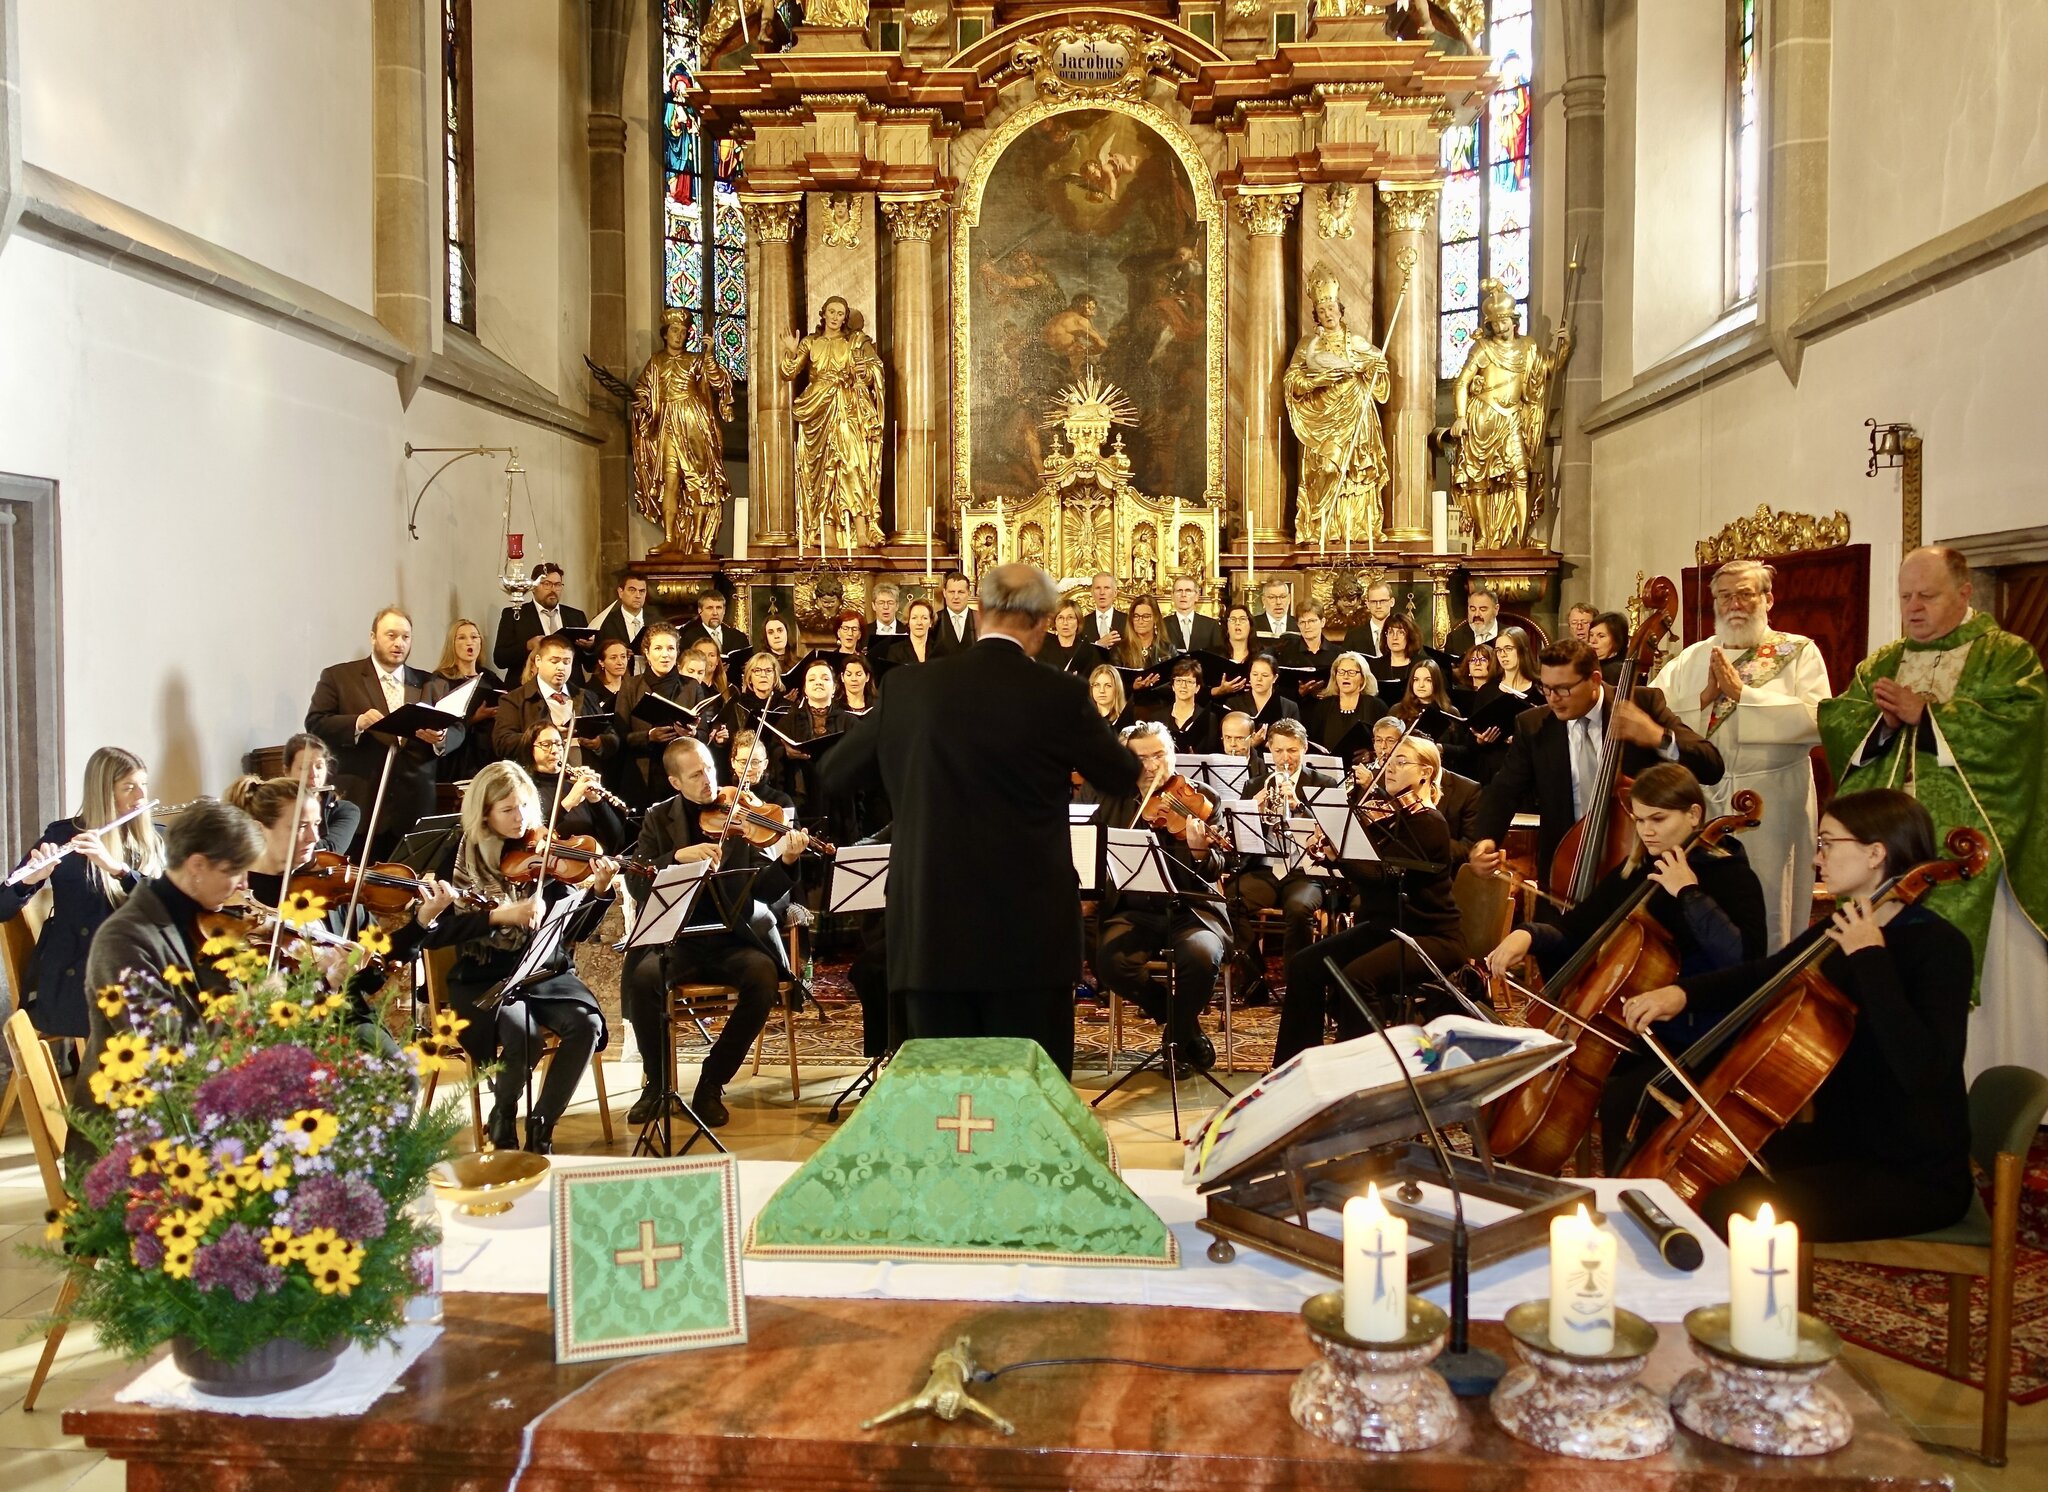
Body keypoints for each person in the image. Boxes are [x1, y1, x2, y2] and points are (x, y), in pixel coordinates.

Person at [821, 563, 1140, 1074]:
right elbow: (1123, 774)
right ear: (1041, 625)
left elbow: (835, 772)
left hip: (931, 930)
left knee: (944, 1106)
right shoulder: (1058, 695)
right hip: (1028, 936)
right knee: (1029, 1097)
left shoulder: (909, 688)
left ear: (980, 614)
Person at [1620, 790, 1974, 1242]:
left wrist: (1870, 958)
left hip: (1911, 1169)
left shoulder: (1940, 947)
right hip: (1841, 1141)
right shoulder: (1838, 928)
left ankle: (1749, 1309)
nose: (1816, 858)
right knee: (1711, 1159)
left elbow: (1923, 1070)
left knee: (1729, 1208)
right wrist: (1680, 994)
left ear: (1875, 853)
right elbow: (1763, 976)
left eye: (1827, 843)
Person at [1482, 762, 1768, 1167]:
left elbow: (1745, 962)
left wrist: (1689, 894)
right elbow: (1578, 929)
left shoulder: (1731, 877)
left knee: (1624, 1097)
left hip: (1696, 1030)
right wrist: (1527, 935)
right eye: (1640, 820)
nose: (1647, 831)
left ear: (1694, 815)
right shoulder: (1638, 868)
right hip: (1631, 1028)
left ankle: (1635, 1197)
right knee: (1526, 1059)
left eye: (1659, 819)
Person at [1818, 546, 2047, 1032]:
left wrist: (1928, 716)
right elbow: (1840, 718)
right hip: (1885, 851)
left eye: (1927, 595)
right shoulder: (1886, 660)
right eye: (1905, 597)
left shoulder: (2006, 655)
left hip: (1968, 846)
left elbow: (2019, 725)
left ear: (1964, 593)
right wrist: (1878, 726)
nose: (1913, 608)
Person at [620, 737, 810, 1128]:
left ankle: (711, 1081)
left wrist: (788, 861)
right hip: (678, 938)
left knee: (763, 976)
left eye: (709, 768)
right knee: (643, 980)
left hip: (731, 937)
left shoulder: (738, 815)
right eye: (695, 774)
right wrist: (675, 859)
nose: (709, 780)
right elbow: (638, 884)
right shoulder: (658, 819)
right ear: (675, 782)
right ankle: (657, 1084)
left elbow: (763, 890)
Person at [428, 763, 613, 1153]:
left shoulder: (542, 852)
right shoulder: (458, 857)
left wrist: (598, 891)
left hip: (544, 969)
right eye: (509, 810)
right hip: (484, 977)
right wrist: (498, 916)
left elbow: (573, 931)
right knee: (522, 1036)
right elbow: (438, 933)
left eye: (526, 807)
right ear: (484, 814)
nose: (521, 819)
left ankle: (543, 1122)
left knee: (586, 1023)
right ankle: (503, 1113)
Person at [1652, 559, 1832, 951]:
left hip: (1771, 800)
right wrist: (1702, 700)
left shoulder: (1798, 652)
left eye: (1746, 594)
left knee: (1768, 902)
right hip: (1703, 801)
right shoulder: (1692, 658)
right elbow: (1656, 720)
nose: (1734, 603)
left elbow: (1820, 721)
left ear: (1769, 599)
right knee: (1701, 900)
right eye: (1724, 595)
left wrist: (1744, 696)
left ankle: (1765, 993)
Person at [226, 774, 454, 1058]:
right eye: (299, 827)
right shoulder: (240, 897)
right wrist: (327, 979)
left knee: (401, 1074)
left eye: (316, 825)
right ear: (261, 829)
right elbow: (252, 999)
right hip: (284, 1030)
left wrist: (422, 921)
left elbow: (373, 972)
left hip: (346, 1017)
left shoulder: (328, 883)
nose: (315, 838)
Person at [1470, 637, 1724, 889]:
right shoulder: (1533, 725)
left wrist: (1657, 737)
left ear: (1594, 680)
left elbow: (1711, 766)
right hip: (1565, 867)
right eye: (1546, 688)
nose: (1553, 698)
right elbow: (1504, 790)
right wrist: (1485, 838)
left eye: (1563, 689)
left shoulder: (1642, 705)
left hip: (1637, 865)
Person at [1274, 735, 1464, 1063]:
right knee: (1305, 964)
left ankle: (1360, 1070)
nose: (1389, 769)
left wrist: (1342, 853)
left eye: (1401, 762)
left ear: (1425, 773)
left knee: (1356, 977)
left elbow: (1381, 875)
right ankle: (1292, 1065)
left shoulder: (1429, 823)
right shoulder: (1388, 815)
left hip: (1430, 935)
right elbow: (1367, 873)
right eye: (1389, 761)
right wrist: (1332, 854)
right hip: (1385, 927)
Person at [75, 799, 265, 1116]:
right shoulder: (124, 940)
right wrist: (252, 1006)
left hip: (208, 1092)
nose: (244, 885)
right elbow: (164, 1050)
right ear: (197, 866)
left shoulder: (207, 924)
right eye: (235, 871)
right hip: (144, 1121)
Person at [1, 747, 165, 1049]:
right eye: (129, 787)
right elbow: (2, 906)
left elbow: (167, 911)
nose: (140, 797)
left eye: (143, 785)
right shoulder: (63, 836)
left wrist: (119, 870)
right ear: (103, 791)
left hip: (137, 967)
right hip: (75, 976)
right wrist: (31, 878)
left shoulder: (155, 840)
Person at [1092, 722, 1231, 1070]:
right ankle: (1184, 1029)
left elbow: (1218, 867)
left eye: (1161, 755)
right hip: (1135, 910)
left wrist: (1201, 853)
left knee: (1201, 956)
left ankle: (1176, 1043)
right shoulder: (1113, 799)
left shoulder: (1202, 799)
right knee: (1110, 963)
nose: (1154, 767)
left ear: (1173, 754)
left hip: (1192, 908)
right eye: (1143, 759)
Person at [306, 606, 466, 856]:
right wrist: (357, 722)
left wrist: (442, 738)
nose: (399, 643)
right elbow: (315, 723)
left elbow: (457, 726)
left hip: (414, 807)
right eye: (391, 635)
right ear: (373, 637)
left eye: (405, 637)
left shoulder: (431, 683)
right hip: (363, 804)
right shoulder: (339, 677)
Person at [1235, 718, 1338, 976]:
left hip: (1306, 872)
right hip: (1267, 870)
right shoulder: (1254, 785)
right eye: (1278, 751)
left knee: (1299, 909)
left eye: (1292, 750)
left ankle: (1297, 982)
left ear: (1304, 748)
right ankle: (1254, 979)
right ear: (1269, 750)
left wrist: (1298, 807)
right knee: (1229, 902)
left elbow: (1332, 833)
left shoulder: (1324, 784)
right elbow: (1241, 837)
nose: (1285, 758)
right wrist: (1252, 813)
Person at [494, 634, 616, 767]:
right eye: (554, 661)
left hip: (585, 775)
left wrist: (599, 742)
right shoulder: (515, 700)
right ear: (538, 661)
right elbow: (502, 743)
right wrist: (544, 736)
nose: (561, 667)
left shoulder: (587, 696)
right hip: (539, 780)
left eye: (566, 662)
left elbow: (612, 737)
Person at [524, 723, 629, 851]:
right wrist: (568, 803)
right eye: (546, 745)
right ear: (530, 748)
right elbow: (532, 837)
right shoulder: (525, 789)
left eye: (558, 744)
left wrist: (596, 800)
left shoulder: (575, 784)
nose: (555, 750)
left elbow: (617, 840)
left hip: (590, 864)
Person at [432, 617, 505, 782]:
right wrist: (474, 718)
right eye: (462, 638)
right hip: (457, 758)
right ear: (452, 644)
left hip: (488, 754)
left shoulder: (490, 678)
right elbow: (439, 724)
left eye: (474, 637)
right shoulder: (440, 679)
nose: (469, 643)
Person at [493, 562, 588, 676]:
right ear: (533, 587)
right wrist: (527, 646)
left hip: (570, 689)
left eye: (558, 584)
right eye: (547, 584)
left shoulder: (576, 616)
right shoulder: (514, 614)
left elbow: (590, 665)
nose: (553, 589)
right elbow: (500, 659)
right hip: (528, 688)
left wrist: (590, 648)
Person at [278, 733, 362, 855]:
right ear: (287, 771)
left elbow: (329, 851)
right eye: (304, 767)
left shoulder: (345, 810)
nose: (313, 774)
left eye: (319, 766)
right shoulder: (271, 806)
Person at [1307, 651, 1386, 765]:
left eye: (1352, 672)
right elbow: (1313, 743)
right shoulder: (1323, 706)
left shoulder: (1376, 706)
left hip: (1365, 770)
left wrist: (1372, 755)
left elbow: (1388, 742)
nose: (1345, 676)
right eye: (1341, 672)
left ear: (1363, 678)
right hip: (1329, 770)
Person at [1454, 643, 1512, 784]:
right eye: (1473, 660)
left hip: (1493, 759)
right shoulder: (1457, 695)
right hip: (1464, 759)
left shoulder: (1500, 693)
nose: (1477, 664)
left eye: (1483, 659)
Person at [1158, 656, 1219, 754]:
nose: (1183, 686)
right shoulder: (1158, 717)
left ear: (1197, 688)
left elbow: (1211, 752)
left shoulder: (1209, 719)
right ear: (1173, 686)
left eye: (1189, 682)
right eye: (1179, 680)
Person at [589, 574, 653, 663]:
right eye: (632, 590)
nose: (638, 595)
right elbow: (592, 662)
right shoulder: (604, 622)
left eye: (642, 591)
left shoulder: (657, 622)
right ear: (620, 592)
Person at [1242, 653, 1303, 740]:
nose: (1259, 679)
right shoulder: (1234, 703)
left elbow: (1296, 738)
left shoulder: (1290, 707)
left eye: (1265, 675)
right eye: (1255, 674)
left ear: (1275, 678)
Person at [1163, 574, 1223, 655]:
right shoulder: (1163, 624)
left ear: (1197, 596)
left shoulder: (1211, 626)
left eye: (1188, 591)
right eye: (1179, 591)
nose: (1183, 595)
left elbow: (1218, 656)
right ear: (1172, 596)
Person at [1492, 625, 1545, 711]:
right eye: (1498, 650)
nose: (1502, 654)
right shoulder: (1488, 691)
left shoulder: (1541, 689)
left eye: (1508, 649)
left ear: (1523, 650)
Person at [1371, 614, 1425, 696]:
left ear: (1410, 636)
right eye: (1390, 632)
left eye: (1401, 632)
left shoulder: (1423, 664)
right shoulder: (1375, 666)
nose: (1394, 637)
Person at [1445, 584, 1503, 660]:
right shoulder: (1454, 639)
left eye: (1483, 609)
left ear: (1496, 609)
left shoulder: (1510, 637)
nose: (1476, 614)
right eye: (1472, 609)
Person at [676, 586, 738, 656]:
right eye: (710, 608)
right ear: (700, 610)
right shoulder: (688, 639)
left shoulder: (738, 637)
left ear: (724, 610)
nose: (715, 613)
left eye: (718, 608)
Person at [930, 570, 978, 657]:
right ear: (944, 593)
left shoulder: (981, 620)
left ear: (969, 593)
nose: (956, 597)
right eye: (952, 592)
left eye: (961, 592)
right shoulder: (934, 620)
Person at [1039, 601, 1093, 674]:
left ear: (1078, 621)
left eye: (1070, 618)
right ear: (1055, 622)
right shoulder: (1043, 649)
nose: (1065, 623)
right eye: (1060, 618)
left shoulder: (1085, 651)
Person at [886, 598, 938, 670]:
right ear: (908, 622)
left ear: (931, 622)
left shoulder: (939, 650)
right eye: (914, 618)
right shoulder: (895, 651)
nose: (919, 623)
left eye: (924, 618)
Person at [1088, 662, 1138, 735]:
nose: (1102, 691)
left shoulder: (1127, 719)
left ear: (1117, 688)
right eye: (1096, 685)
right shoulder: (1084, 719)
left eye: (1108, 686)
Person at [1084, 571, 1126, 649]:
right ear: (1092, 593)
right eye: (1098, 588)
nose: (1102, 592)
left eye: (1106, 588)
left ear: (1115, 593)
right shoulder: (1083, 623)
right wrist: (1098, 644)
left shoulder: (1127, 621)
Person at [1356, 581, 1397, 658]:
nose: (1378, 606)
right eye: (1373, 602)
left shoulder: (1403, 633)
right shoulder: (1354, 636)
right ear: (1367, 604)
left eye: (1383, 601)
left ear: (1392, 602)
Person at [1590, 611, 1630, 684]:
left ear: (1617, 640)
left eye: (1601, 636)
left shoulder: (1615, 671)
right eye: (1591, 635)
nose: (1593, 641)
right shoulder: (1589, 664)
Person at [1252, 579, 1297, 644]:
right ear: (1263, 600)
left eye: (1283, 597)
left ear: (1289, 598)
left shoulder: (1298, 624)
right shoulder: (1253, 624)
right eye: (1272, 597)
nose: (1278, 602)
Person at [865, 582, 906, 649]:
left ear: (897, 606)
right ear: (873, 606)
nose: (886, 607)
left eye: (890, 603)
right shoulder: (864, 632)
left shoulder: (907, 631)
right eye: (881, 603)